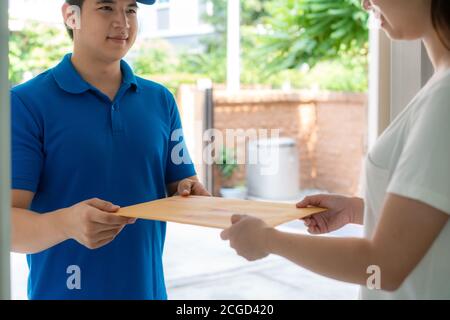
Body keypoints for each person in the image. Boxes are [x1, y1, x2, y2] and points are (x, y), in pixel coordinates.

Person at [221, 0, 450, 299]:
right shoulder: (438, 88)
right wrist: (355, 210)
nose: (365, 3)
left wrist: (267, 240)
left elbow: (385, 266)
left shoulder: (444, 99)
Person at [11, 0, 209, 300]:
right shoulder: (25, 104)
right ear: (70, 16)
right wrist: (66, 224)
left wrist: (188, 191)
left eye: (130, 9)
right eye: (106, 7)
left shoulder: (160, 100)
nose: (123, 22)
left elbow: (181, 186)